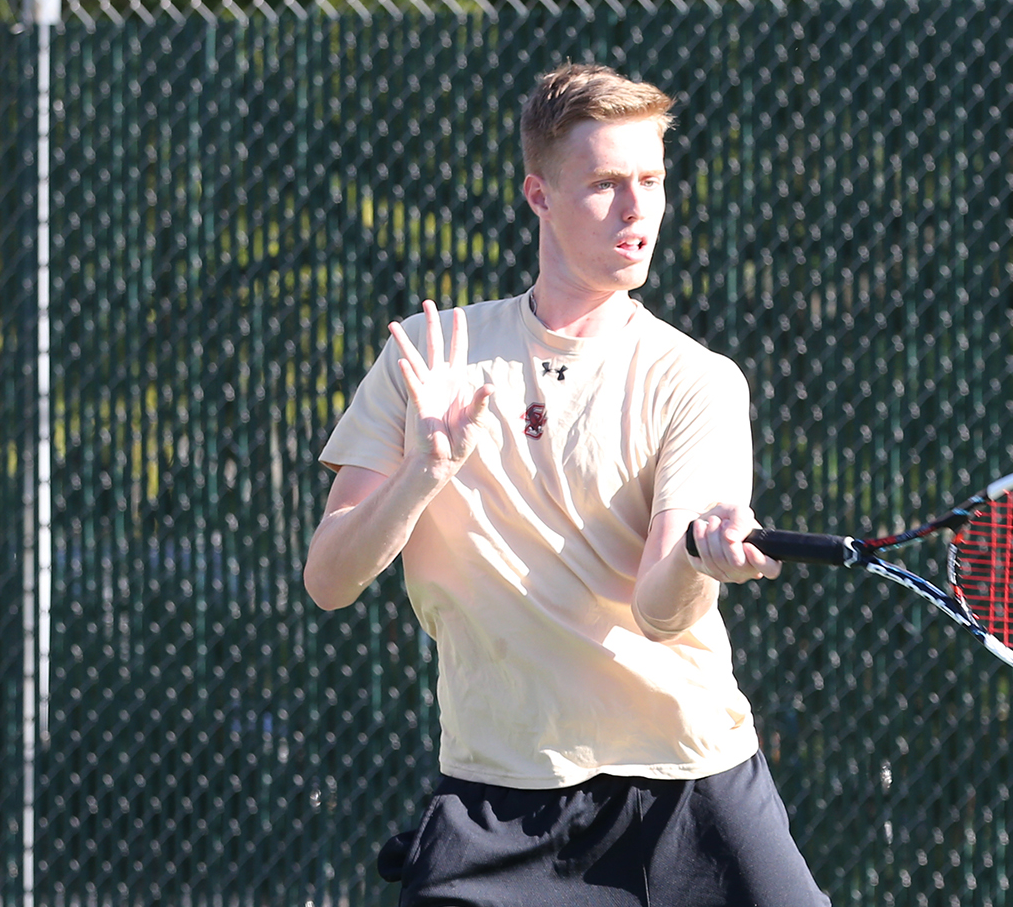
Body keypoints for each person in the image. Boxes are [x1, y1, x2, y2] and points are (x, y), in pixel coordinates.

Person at [305, 63, 830, 906]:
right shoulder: (428, 361)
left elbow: (660, 610)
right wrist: (423, 472)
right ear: (538, 195)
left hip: (689, 786)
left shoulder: (694, 381)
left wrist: (700, 560)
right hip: (496, 800)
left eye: (652, 181)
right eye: (606, 185)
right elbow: (329, 580)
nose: (636, 210)